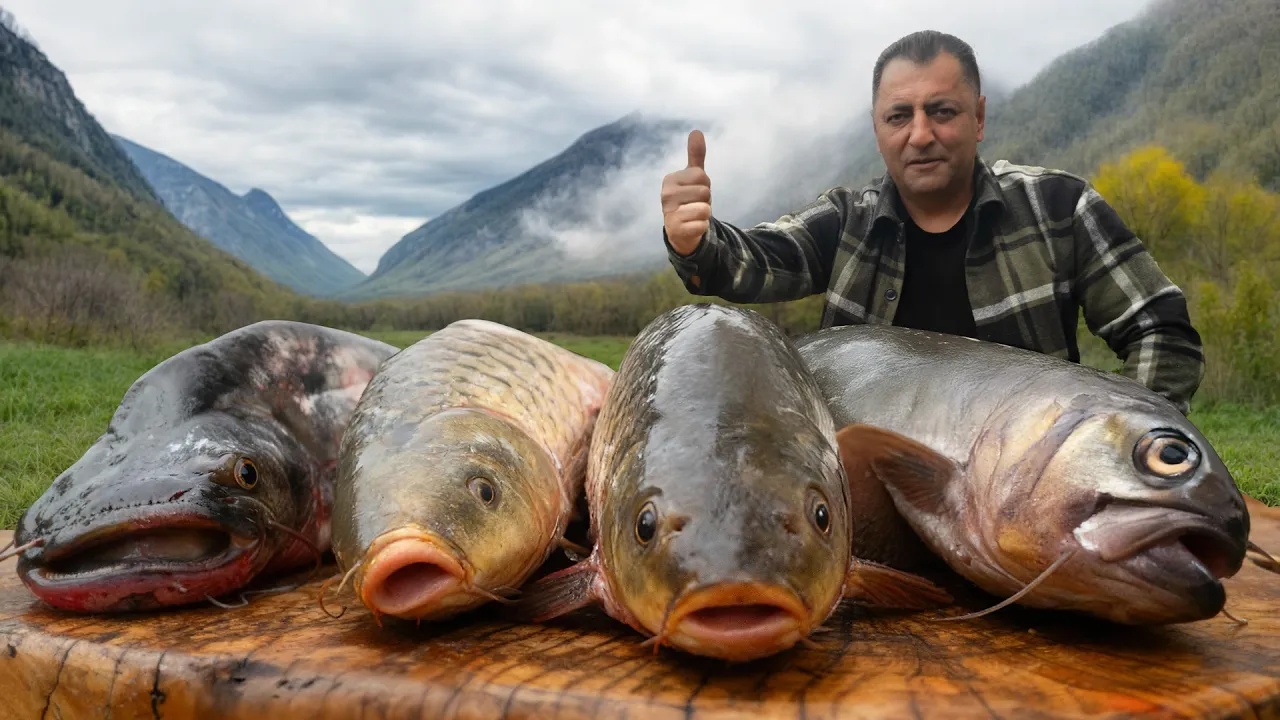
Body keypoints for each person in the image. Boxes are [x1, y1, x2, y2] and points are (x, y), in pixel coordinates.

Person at [659, 30, 1204, 414]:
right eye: (899, 116)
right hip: (869, 486)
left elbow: (1161, 327)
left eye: (941, 111)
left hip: (1015, 490)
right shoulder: (847, 221)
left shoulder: (1060, 207)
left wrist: (1121, 440)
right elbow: (753, 263)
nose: (920, 135)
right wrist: (695, 241)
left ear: (978, 118)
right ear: (878, 130)